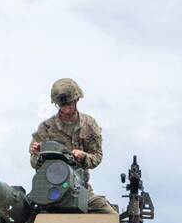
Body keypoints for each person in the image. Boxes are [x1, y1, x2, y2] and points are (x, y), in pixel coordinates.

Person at [29, 77, 116, 215]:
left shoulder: (89, 125)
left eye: (69, 104)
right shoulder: (46, 128)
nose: (67, 109)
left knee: (111, 216)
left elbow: (97, 156)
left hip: (80, 190)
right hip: (49, 192)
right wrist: (38, 154)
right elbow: (34, 163)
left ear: (76, 100)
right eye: (62, 105)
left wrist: (84, 156)